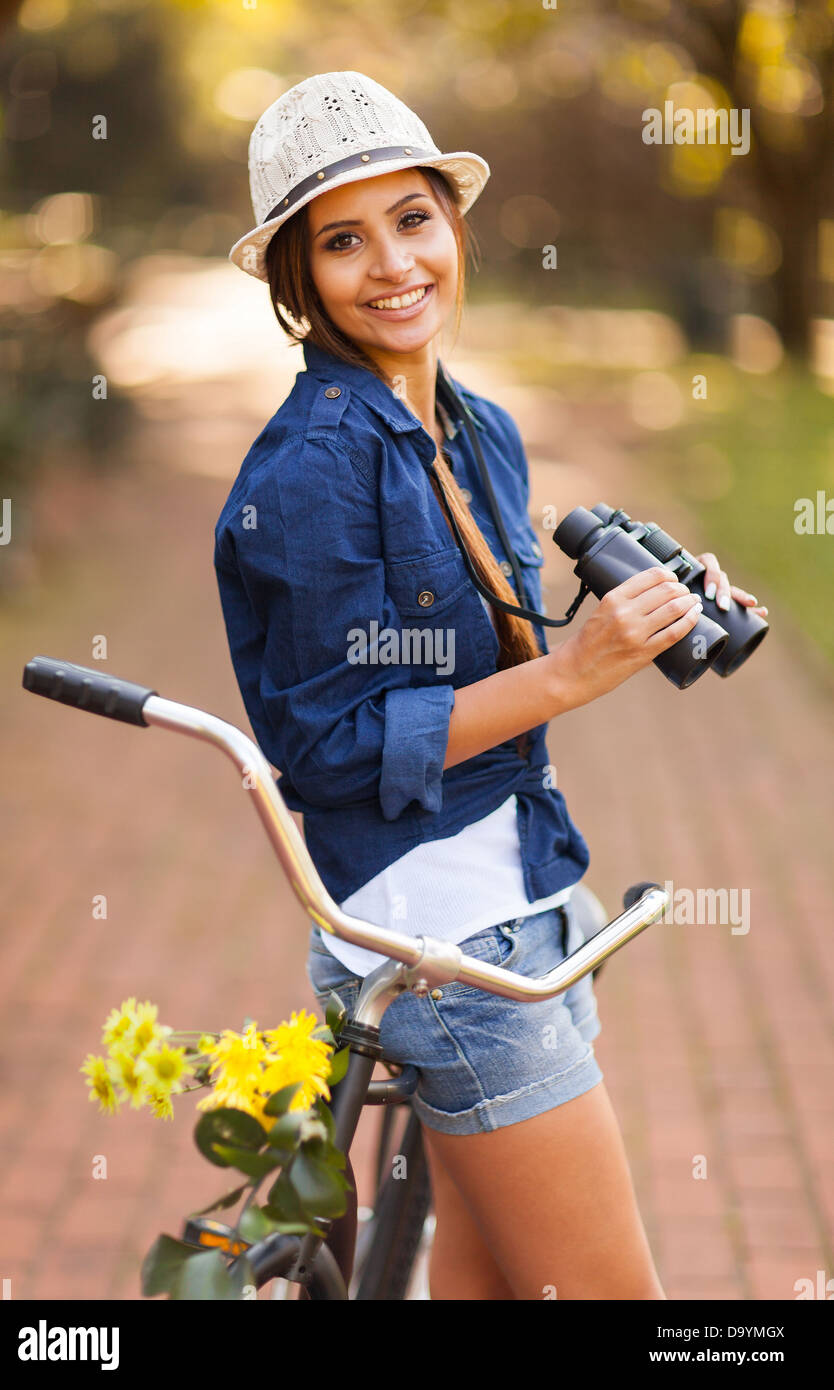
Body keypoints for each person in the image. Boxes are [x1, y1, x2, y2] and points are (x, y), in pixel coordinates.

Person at [214, 71, 766, 1300]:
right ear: (297, 280)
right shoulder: (304, 475)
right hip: (440, 946)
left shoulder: (478, 428)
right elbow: (335, 749)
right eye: (341, 240)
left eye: (412, 219)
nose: (392, 263)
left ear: (453, 227)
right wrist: (575, 672)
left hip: (525, 895)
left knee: (477, 1286)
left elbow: (498, 627)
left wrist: (656, 597)